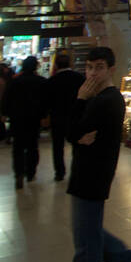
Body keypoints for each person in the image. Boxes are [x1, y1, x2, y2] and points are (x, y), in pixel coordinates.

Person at [56, 46, 131, 262]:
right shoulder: (100, 97)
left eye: (99, 68)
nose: (93, 73)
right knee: (87, 230)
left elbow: (70, 131)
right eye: (90, 67)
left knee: (85, 241)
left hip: (93, 174)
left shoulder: (106, 100)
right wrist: (78, 129)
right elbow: (74, 134)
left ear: (111, 69)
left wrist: (80, 101)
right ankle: (127, 260)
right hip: (86, 171)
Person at [4, 56, 49, 189]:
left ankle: (18, 173)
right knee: (32, 146)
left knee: (17, 147)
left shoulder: (15, 81)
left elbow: (7, 99)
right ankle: (30, 172)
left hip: (17, 119)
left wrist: (5, 113)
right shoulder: (41, 82)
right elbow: (45, 102)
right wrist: (44, 116)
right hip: (33, 119)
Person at [46, 54, 85, 182]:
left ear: (56, 65)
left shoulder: (52, 81)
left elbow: (47, 101)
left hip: (57, 118)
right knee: (77, 145)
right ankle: (76, 170)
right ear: (71, 64)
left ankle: (59, 172)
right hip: (75, 117)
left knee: (58, 146)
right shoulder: (79, 78)